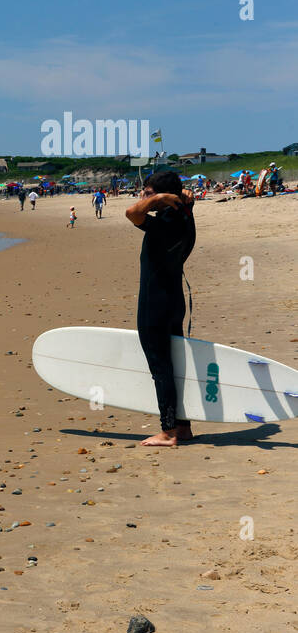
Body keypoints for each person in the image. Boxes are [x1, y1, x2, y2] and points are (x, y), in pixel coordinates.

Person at [125, 170, 196, 447]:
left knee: (160, 365)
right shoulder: (185, 217)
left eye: (147, 191)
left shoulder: (166, 222)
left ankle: (168, 432)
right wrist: (174, 199)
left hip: (155, 303)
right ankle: (183, 426)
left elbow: (132, 213)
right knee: (174, 364)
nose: (142, 196)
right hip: (174, 302)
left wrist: (160, 199)